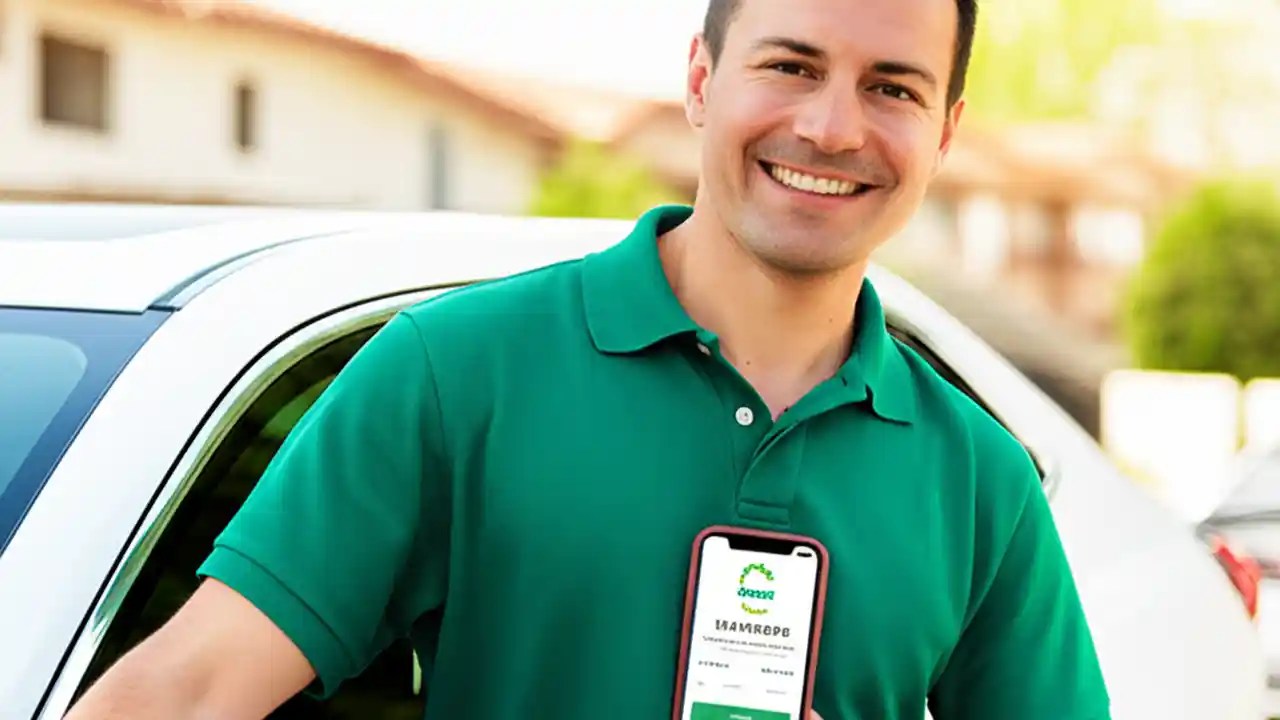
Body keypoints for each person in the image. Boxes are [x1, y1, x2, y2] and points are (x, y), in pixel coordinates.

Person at [66, 0, 1111, 718]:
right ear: (700, 80)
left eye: (891, 88)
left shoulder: (982, 481)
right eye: (789, 65)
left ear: (944, 131)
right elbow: (189, 691)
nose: (830, 126)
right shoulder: (448, 374)